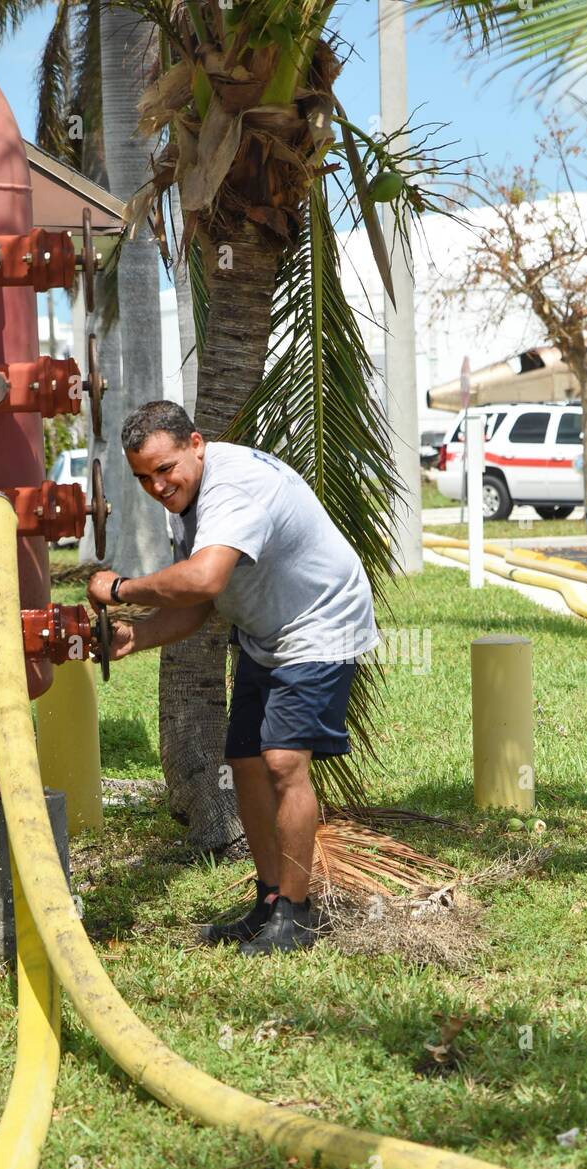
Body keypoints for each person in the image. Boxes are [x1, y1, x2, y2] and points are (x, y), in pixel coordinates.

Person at [86, 400, 379, 956]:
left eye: (164, 469)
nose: (156, 486)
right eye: (143, 477)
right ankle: (269, 903)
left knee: (283, 761)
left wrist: (120, 589)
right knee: (244, 762)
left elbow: (203, 578)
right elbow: (199, 606)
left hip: (321, 622)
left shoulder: (234, 486)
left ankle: (297, 916)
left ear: (195, 444)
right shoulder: (185, 497)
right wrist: (136, 636)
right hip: (265, 634)